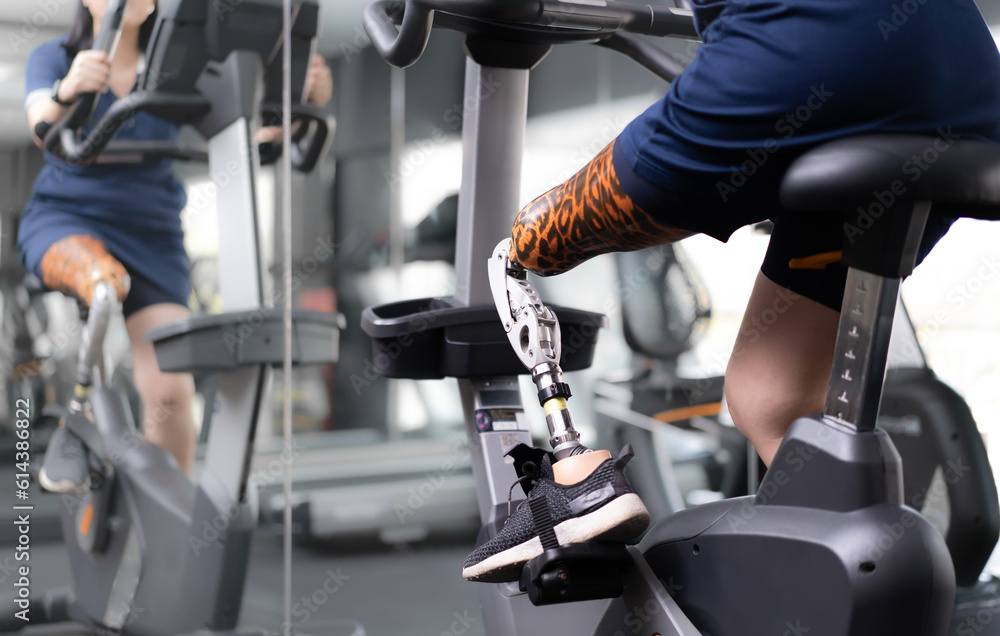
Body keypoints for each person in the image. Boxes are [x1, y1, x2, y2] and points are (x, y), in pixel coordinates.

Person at [463, 0, 1000, 581]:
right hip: (970, 80)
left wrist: (528, 246)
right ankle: (844, 595)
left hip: (808, 48)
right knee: (771, 397)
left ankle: (579, 485)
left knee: (531, 239)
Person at [19, 0, 333, 492]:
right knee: (103, 285)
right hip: (67, 218)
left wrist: (301, 107)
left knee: (170, 389)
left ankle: (171, 516)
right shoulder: (56, 58)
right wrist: (68, 90)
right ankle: (76, 417)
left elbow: (243, 130)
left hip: (151, 232)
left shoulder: (179, 60)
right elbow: (43, 126)